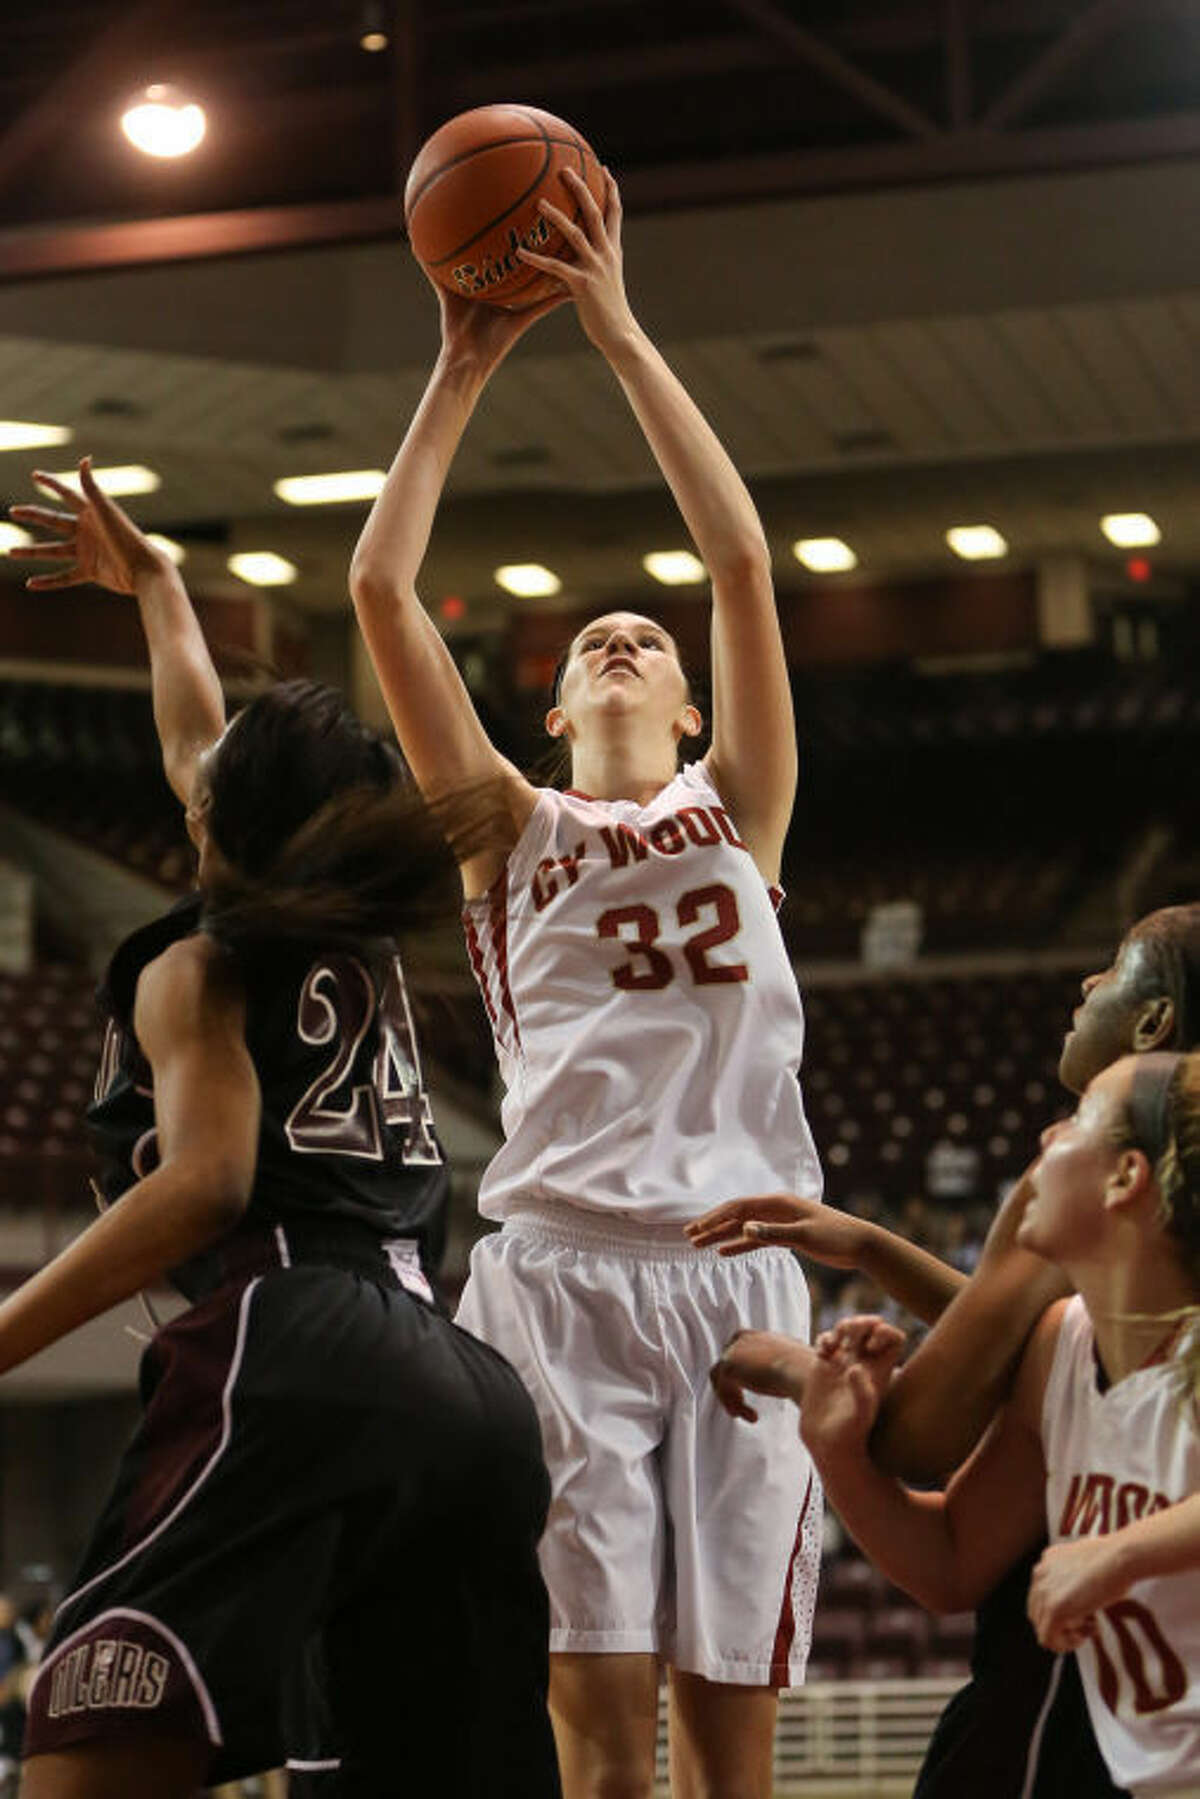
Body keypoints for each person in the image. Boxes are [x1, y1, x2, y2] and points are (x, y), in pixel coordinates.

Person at [348, 165, 822, 1798]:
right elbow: (379, 592)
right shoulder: (506, 827)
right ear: (546, 713)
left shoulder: (737, 804)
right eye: (584, 647)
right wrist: (461, 366)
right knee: (607, 1744)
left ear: (693, 705)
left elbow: (743, 562)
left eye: (648, 639)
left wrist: (614, 325)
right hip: (555, 1274)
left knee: (731, 1756)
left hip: (741, 1264)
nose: (620, 643)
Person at [4, 463, 560, 1799]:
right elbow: (199, 748)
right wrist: (163, 591)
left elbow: (205, 1183)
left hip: (294, 1344)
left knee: (75, 1755)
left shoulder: (200, 962)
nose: (192, 775)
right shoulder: (340, 927)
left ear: (223, 822)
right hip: (463, 1393)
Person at [697, 903, 1200, 1798]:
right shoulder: (1069, 1341)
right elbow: (1039, 1363)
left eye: (1115, 965)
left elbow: (922, 1431)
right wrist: (876, 1261)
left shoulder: (1087, 1280)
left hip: (1066, 1692)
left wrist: (803, 1370)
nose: (1088, 985)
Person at [797, 1050, 1200, 1799]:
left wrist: (1117, 1552)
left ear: (1126, 1177)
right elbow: (950, 1559)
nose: (1048, 1135)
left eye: (1079, 1119)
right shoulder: (1063, 1343)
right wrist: (839, 1452)